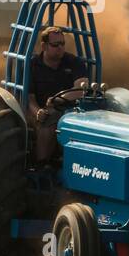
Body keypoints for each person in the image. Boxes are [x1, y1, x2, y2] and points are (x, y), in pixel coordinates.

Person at [30, 26, 90, 162]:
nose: (60, 48)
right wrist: (37, 112)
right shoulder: (33, 65)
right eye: (55, 45)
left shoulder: (74, 62)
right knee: (48, 123)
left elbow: (81, 90)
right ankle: (42, 165)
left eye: (62, 44)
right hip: (43, 112)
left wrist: (58, 99)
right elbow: (29, 98)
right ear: (44, 46)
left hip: (71, 110)